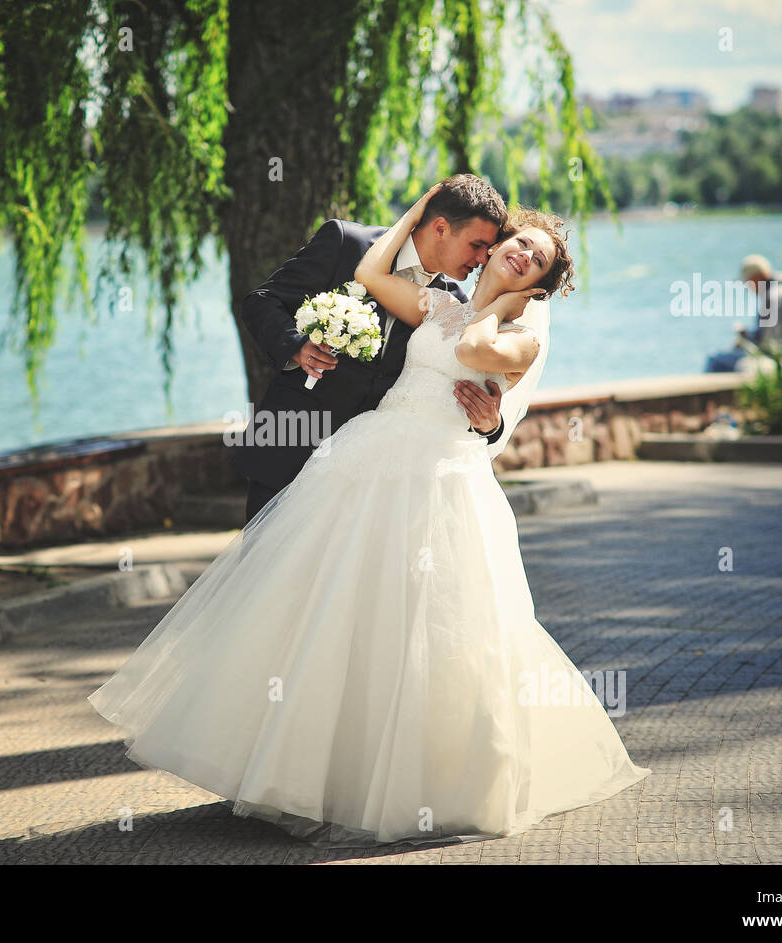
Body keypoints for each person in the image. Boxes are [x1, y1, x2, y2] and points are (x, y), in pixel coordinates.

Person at [87, 186, 651, 847]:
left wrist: (504, 306)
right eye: (517, 241)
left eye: (539, 256)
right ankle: (301, 772)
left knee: (424, 629)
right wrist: (414, 216)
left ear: (543, 283)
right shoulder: (439, 298)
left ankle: (416, 781)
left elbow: (473, 350)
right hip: (368, 455)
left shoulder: (519, 331)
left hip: (439, 479)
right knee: (324, 612)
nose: (522, 252)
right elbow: (368, 276)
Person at [231, 174, 512, 522]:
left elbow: (454, 397)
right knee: (265, 574)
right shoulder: (346, 243)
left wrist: (491, 425)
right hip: (290, 448)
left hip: (367, 484)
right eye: (477, 244)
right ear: (440, 228)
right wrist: (296, 346)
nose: (484, 258)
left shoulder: (454, 307)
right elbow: (261, 301)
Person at [705, 254, 782, 373]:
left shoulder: (773, 297)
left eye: (748, 281)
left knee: (714, 360)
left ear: (759, 277)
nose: (748, 287)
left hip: (776, 362)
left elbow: (767, 344)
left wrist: (745, 336)